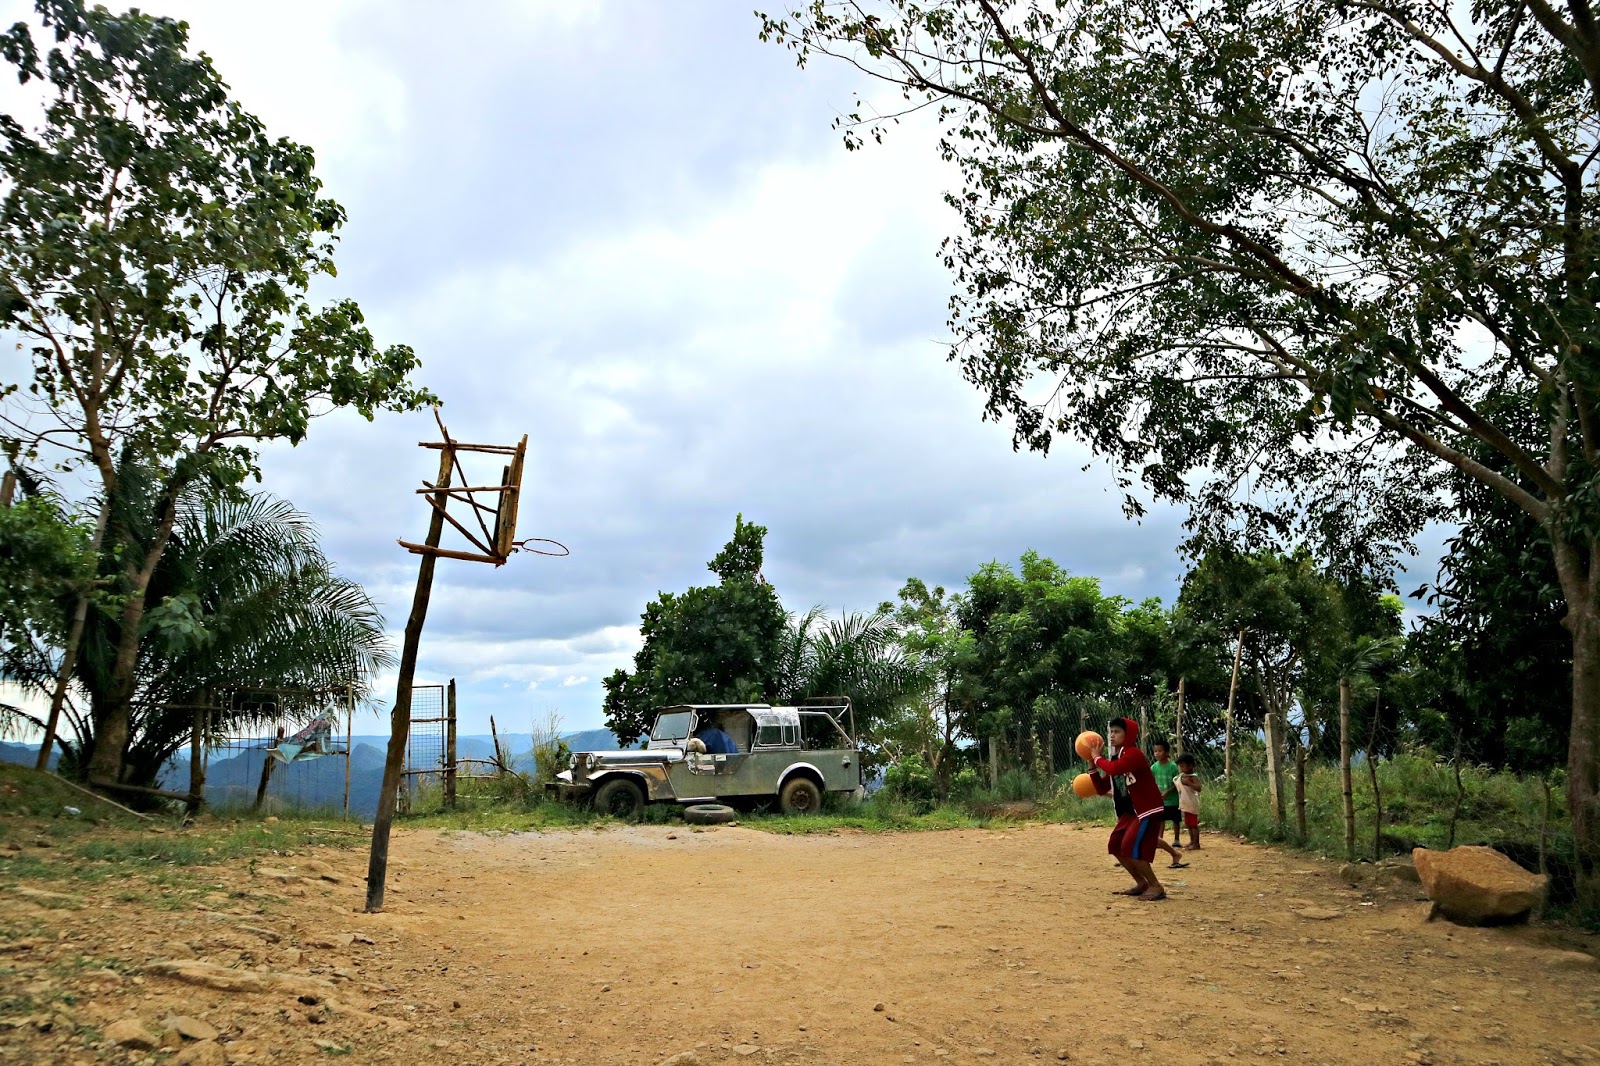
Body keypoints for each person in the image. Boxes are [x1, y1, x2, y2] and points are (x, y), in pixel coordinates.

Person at [1084, 717, 1169, 901]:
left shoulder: (1133, 754)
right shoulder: (1117, 758)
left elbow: (1114, 769)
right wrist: (1092, 766)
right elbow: (1101, 788)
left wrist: (1097, 758)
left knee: (1131, 846)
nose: (1112, 735)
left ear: (1127, 734)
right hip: (1130, 812)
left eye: (1117, 732)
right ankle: (1142, 883)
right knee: (1115, 844)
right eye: (1111, 731)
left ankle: (1156, 885)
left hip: (1147, 809)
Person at [1151, 740, 1183, 846]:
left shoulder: (1173, 766)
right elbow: (1152, 781)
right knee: (1161, 819)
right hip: (1160, 799)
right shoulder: (1154, 767)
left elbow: (1177, 782)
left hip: (1173, 800)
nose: (1157, 753)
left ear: (1167, 752)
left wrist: (1168, 792)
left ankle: (1177, 839)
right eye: (1155, 751)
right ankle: (1160, 839)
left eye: (1160, 751)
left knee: (1176, 820)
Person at [1176, 753, 1204, 849]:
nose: (1182, 769)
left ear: (1191, 766)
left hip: (1191, 803)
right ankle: (1192, 841)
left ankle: (1196, 843)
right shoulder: (1183, 776)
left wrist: (1188, 783)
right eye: (1180, 766)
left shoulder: (1193, 777)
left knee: (1193, 824)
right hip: (1185, 803)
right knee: (1188, 823)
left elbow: (1199, 788)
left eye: (1183, 766)